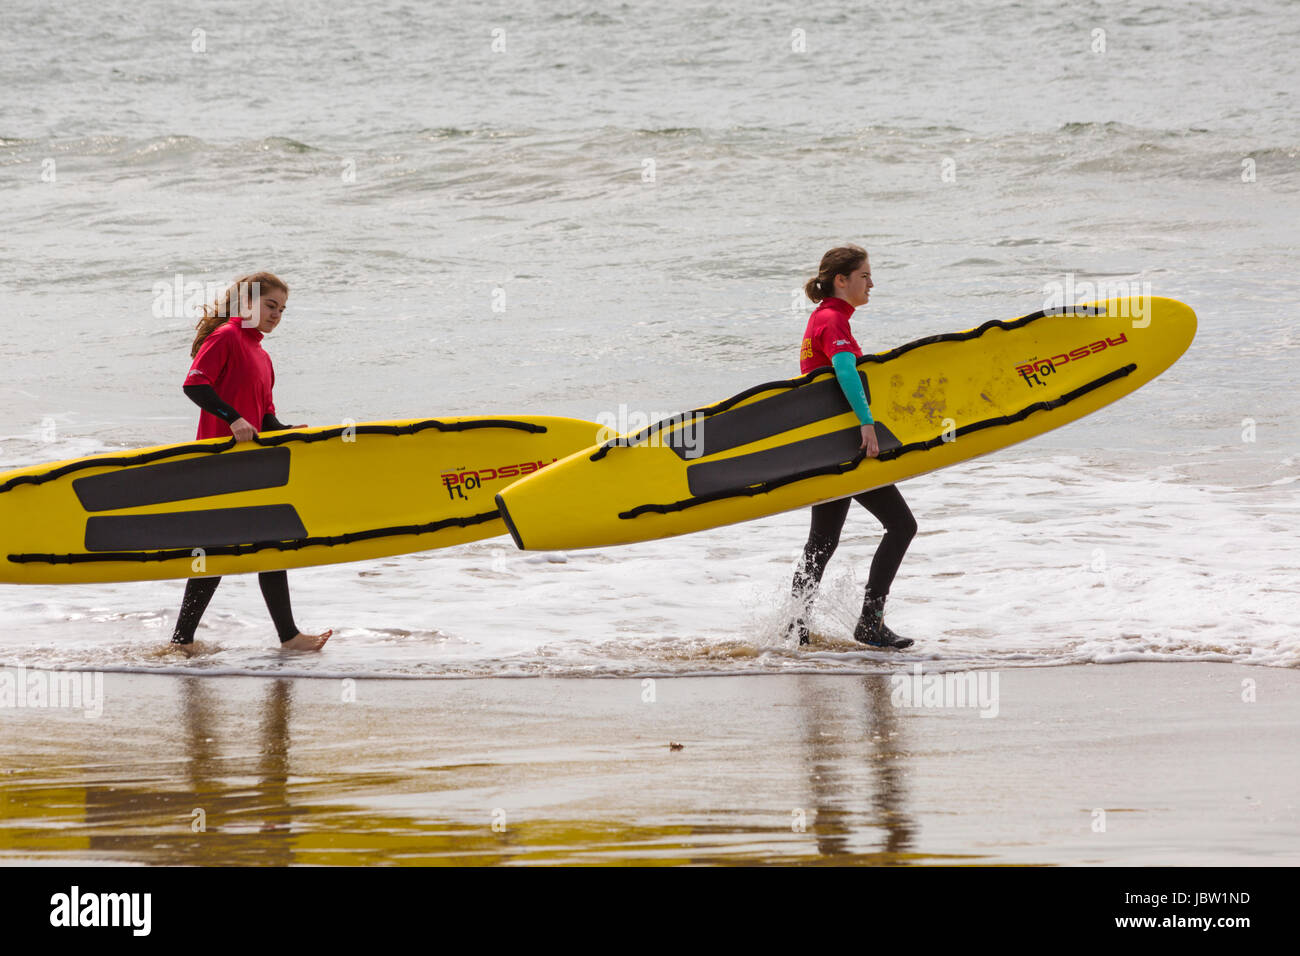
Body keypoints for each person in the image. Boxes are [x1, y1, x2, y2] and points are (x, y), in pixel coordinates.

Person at [170, 272, 332, 651]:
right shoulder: (226, 336)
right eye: (270, 306)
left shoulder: (262, 355)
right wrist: (232, 418)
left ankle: (284, 637)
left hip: (251, 467)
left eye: (282, 309)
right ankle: (183, 639)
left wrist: (292, 432)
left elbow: (266, 421)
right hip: (220, 463)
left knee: (266, 545)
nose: (277, 315)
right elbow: (194, 384)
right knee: (222, 551)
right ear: (246, 304)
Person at [789, 245, 916, 650]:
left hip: (828, 445)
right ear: (841, 280)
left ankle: (796, 627)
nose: (871, 283)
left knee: (822, 542)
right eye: (864, 276)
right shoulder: (832, 320)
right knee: (901, 525)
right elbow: (845, 370)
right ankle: (870, 623)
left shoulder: (822, 318)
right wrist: (867, 424)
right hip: (848, 444)